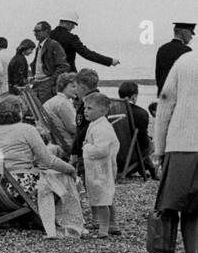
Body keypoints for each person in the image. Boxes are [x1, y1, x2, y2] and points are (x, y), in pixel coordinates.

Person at [0, 96, 84, 238]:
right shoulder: (26, 129)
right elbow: (48, 161)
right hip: (20, 188)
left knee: (49, 175)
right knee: (69, 179)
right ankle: (53, 218)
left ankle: (40, 216)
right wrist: (70, 169)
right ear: (19, 112)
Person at [153, 52, 198, 253]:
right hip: (184, 143)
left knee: (189, 209)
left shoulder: (184, 61)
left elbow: (165, 103)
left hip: (183, 144)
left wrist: (159, 148)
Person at [81, 92, 121, 235]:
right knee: (102, 196)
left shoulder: (103, 128)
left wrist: (86, 147)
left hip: (102, 169)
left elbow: (102, 150)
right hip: (96, 168)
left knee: (103, 198)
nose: (85, 111)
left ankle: (104, 228)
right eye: (85, 108)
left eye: (90, 108)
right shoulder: (95, 124)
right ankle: (108, 223)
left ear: (103, 111)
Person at [50, 11, 118, 75]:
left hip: (48, 76)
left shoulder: (48, 36)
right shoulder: (71, 38)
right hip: (68, 76)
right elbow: (87, 54)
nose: (73, 27)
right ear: (68, 23)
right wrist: (110, 61)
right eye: (73, 25)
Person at [117, 81, 158, 179]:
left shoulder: (112, 109)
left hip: (117, 152)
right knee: (150, 144)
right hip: (132, 154)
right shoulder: (141, 113)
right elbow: (143, 143)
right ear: (134, 96)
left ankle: (141, 168)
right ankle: (151, 169)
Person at [30, 20, 69, 102]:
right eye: (34, 31)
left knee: (44, 111)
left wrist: (50, 82)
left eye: (38, 31)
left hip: (45, 86)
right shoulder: (39, 47)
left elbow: (63, 66)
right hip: (37, 84)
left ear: (46, 31)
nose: (35, 33)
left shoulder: (54, 45)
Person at [43, 72, 81, 151]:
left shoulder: (51, 101)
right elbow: (74, 128)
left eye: (77, 87)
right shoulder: (63, 103)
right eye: (73, 86)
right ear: (63, 86)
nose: (76, 90)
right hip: (67, 143)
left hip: (55, 141)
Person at [155, 21, 193, 93]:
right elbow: (187, 75)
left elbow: (158, 75)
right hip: (178, 92)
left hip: (163, 91)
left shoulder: (162, 48)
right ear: (183, 32)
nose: (191, 37)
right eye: (190, 33)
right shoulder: (186, 50)